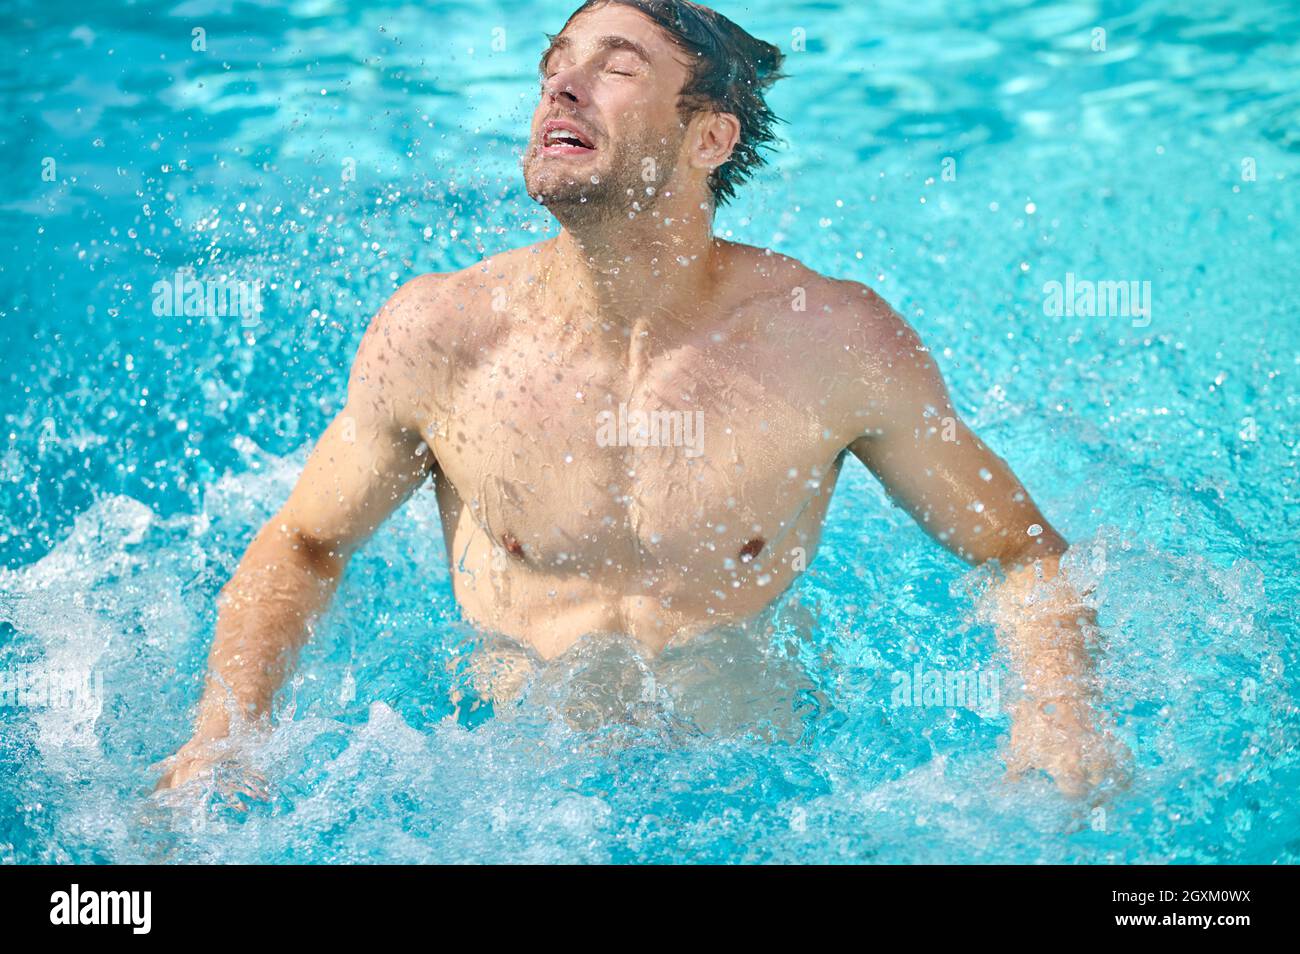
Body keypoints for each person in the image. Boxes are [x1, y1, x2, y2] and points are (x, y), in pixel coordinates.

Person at [158, 0, 1124, 798]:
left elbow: (1017, 550)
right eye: (553, 66)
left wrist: (1059, 717)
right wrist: (226, 735)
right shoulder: (443, 335)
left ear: (710, 136)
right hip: (504, 791)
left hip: (758, 788)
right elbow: (305, 541)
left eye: (614, 67)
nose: (560, 87)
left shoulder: (830, 339)